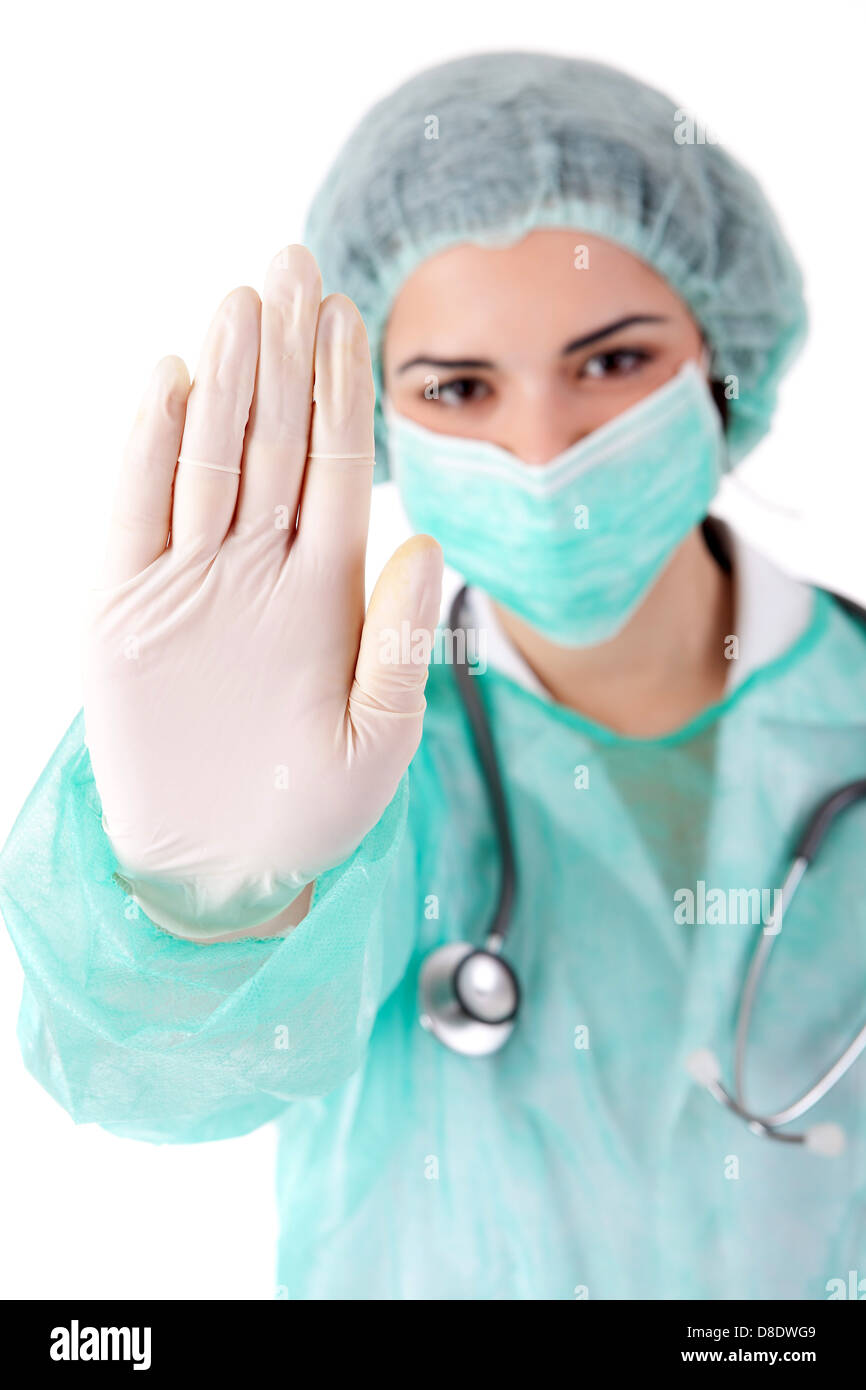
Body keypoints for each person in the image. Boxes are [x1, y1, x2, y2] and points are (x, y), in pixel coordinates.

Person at [1, 51, 864, 1301]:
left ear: (719, 360)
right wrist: (201, 906)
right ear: (383, 425)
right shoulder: (350, 765)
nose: (542, 448)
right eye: (457, 386)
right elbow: (155, 1087)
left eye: (611, 362)